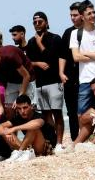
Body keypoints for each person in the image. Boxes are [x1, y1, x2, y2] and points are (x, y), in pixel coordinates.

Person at [26, 12, 66, 144]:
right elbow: (27, 63)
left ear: (47, 23)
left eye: (40, 21)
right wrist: (37, 63)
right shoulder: (31, 42)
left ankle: (60, 143)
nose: (37, 24)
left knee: (57, 114)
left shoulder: (55, 38)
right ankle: (53, 141)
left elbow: (52, 59)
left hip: (54, 81)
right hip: (40, 84)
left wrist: (40, 44)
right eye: (35, 22)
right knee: (46, 115)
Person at [69, 1, 95, 119]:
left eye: (94, 12)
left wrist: (85, 53)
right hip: (85, 80)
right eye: (89, 13)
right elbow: (76, 57)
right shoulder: (75, 34)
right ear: (82, 16)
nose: (93, 15)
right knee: (82, 114)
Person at [0, 96, 56, 162]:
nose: (22, 111)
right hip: (29, 148)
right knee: (6, 130)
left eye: (25, 107)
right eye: (19, 109)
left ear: (31, 106)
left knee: (33, 128)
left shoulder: (38, 116)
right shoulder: (19, 117)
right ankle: (22, 153)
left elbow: (38, 124)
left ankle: (19, 153)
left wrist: (14, 129)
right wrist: (6, 133)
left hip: (45, 147)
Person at [0, 35, 33, 111]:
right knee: (9, 109)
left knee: (26, 109)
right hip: (11, 81)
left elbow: (26, 76)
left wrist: (19, 98)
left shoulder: (10, 55)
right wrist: (0, 106)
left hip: (27, 79)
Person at [59, 2, 84, 146]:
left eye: (75, 15)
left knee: (87, 108)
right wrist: (61, 73)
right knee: (72, 110)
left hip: (86, 75)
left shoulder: (89, 30)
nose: (72, 18)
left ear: (82, 15)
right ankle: (75, 138)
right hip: (69, 76)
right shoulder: (68, 33)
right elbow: (62, 55)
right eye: (71, 15)